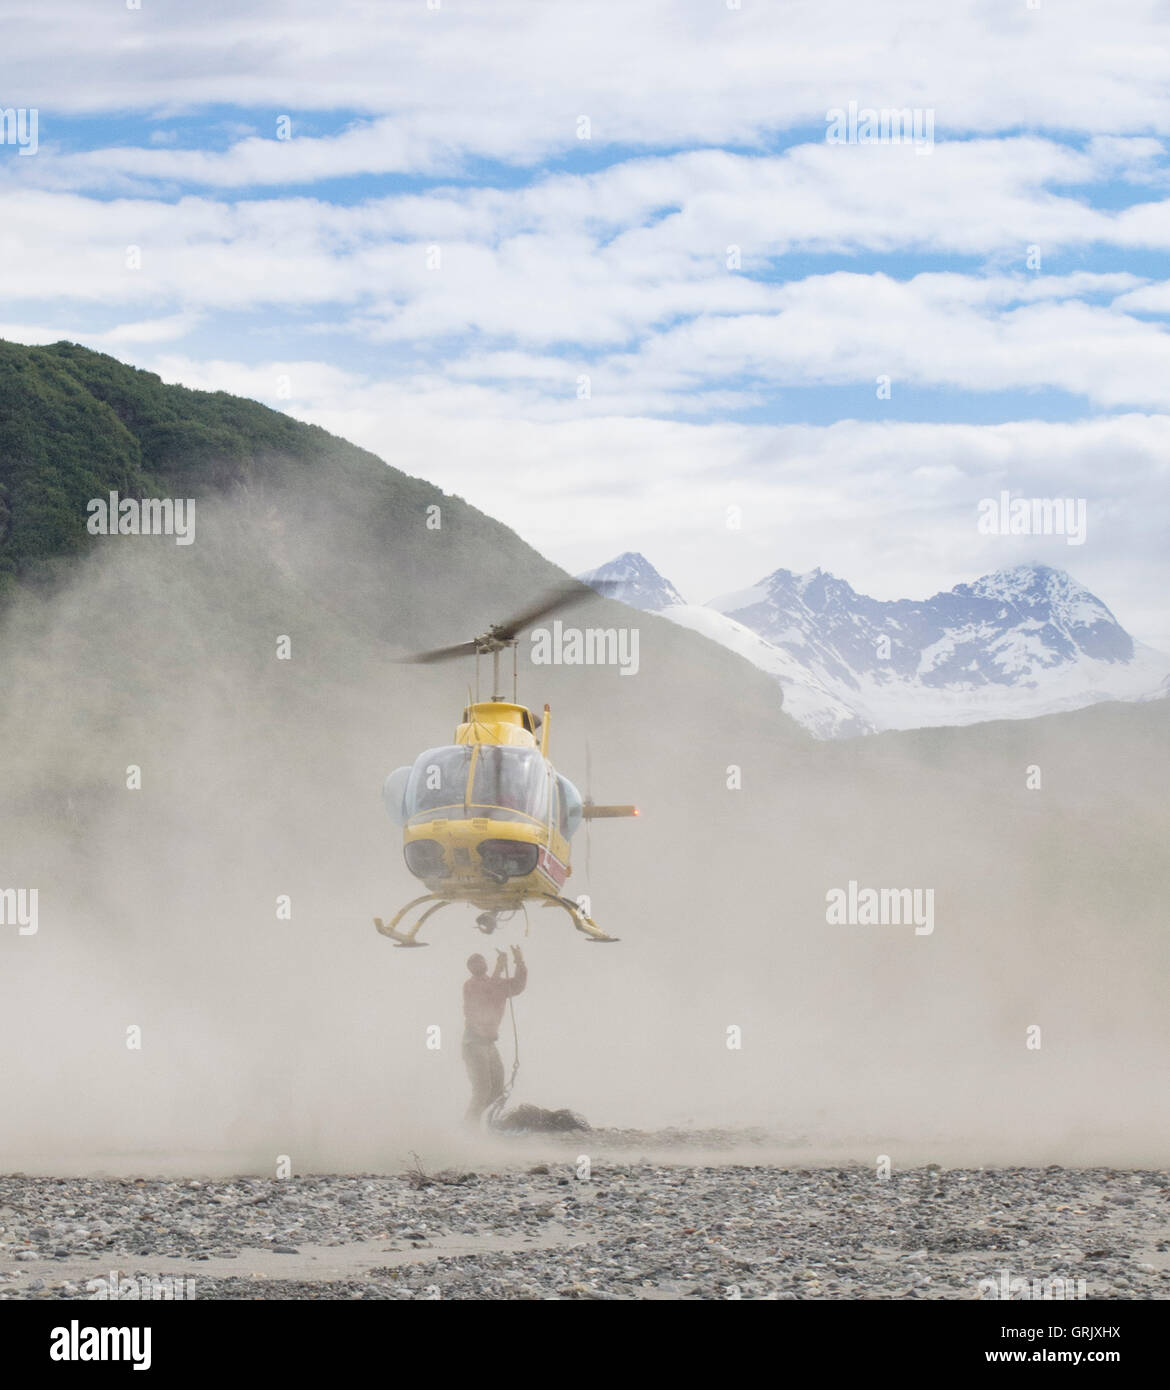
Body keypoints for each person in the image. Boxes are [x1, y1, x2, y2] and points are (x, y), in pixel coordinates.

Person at [462, 945, 526, 1127]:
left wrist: (519, 961)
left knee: (496, 1090)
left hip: (489, 1044)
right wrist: (499, 968)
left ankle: (470, 1122)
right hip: (473, 1043)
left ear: (484, 964)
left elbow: (518, 985)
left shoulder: (497, 984)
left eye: (479, 960)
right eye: (473, 962)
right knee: (482, 1089)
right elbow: (485, 995)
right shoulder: (470, 985)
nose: (477, 964)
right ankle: (469, 1125)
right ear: (470, 969)